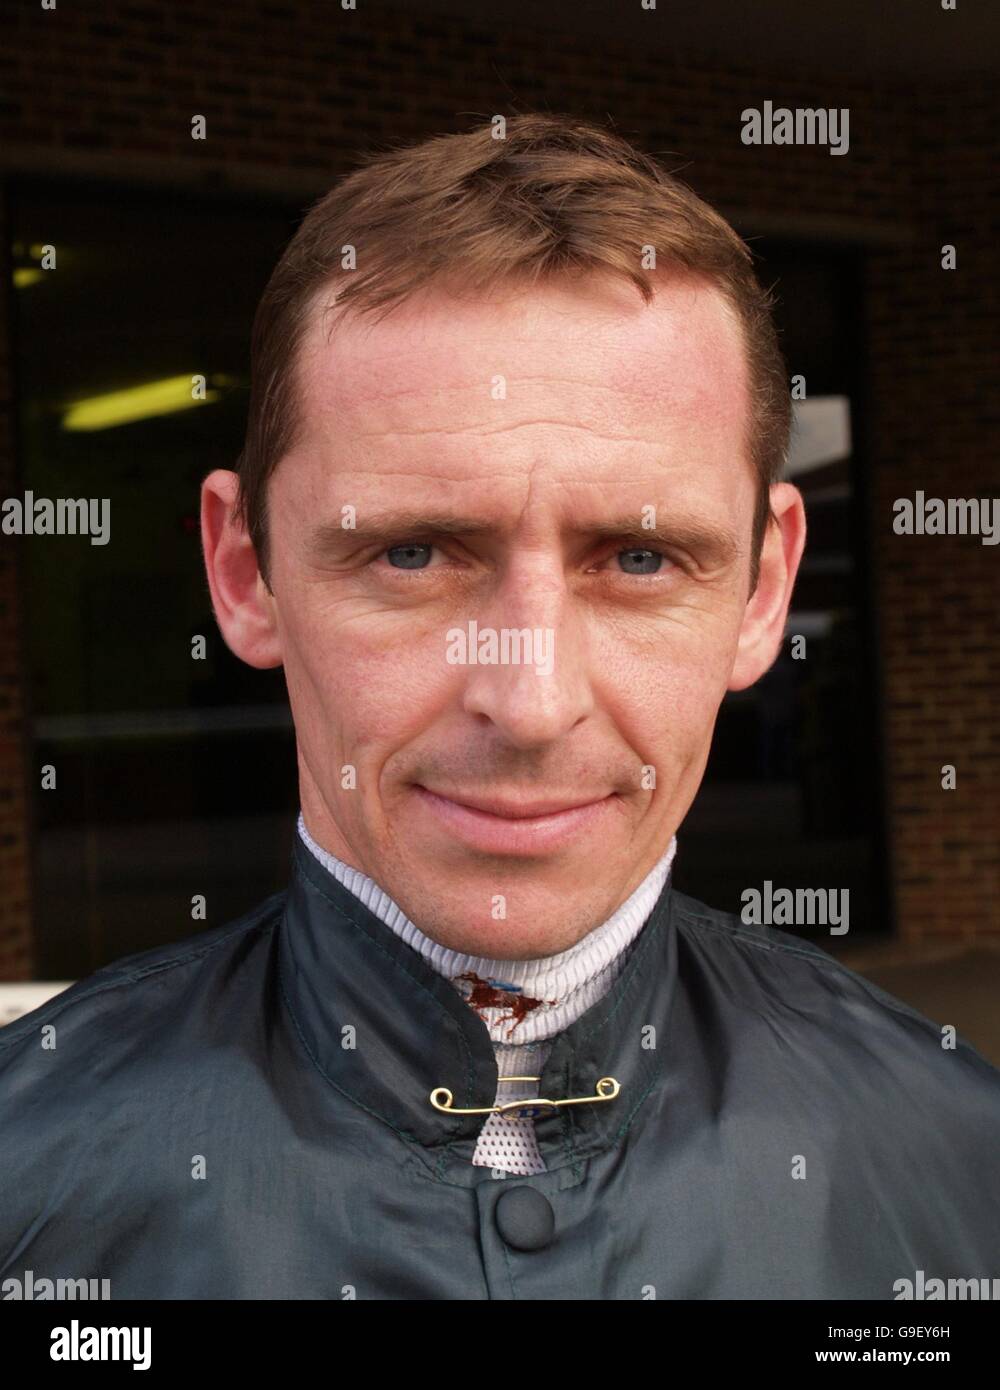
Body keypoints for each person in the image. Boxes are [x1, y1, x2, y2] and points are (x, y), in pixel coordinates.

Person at [2, 113, 998, 1301]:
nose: (530, 703)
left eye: (636, 559)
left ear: (761, 589)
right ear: (244, 572)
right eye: (415, 553)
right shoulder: (29, 1188)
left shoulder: (959, 1166)